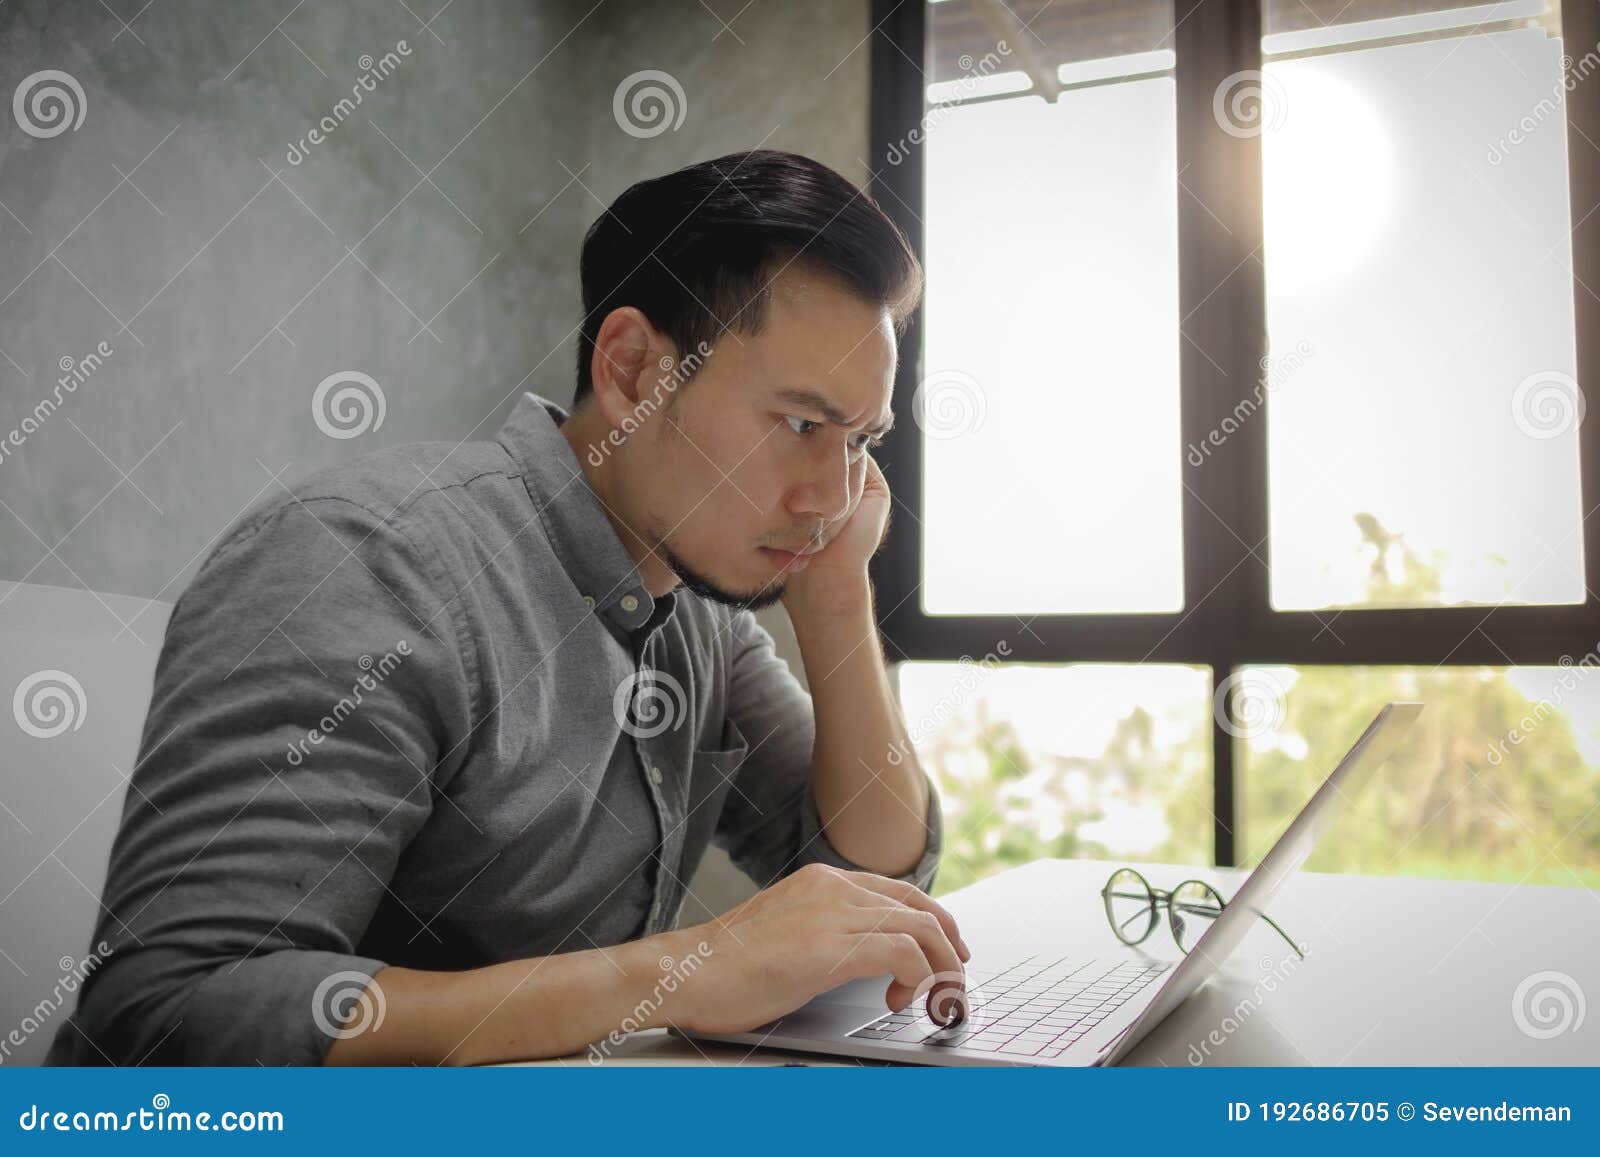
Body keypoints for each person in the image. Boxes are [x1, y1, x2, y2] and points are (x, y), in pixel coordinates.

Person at [46, 149, 967, 1067]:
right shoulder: (366, 561)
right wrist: (679, 972)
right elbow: (167, 1019)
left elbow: (875, 885)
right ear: (635, 371)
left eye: (861, 441)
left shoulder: (698, 613)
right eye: (803, 424)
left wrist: (835, 593)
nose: (832, 495)